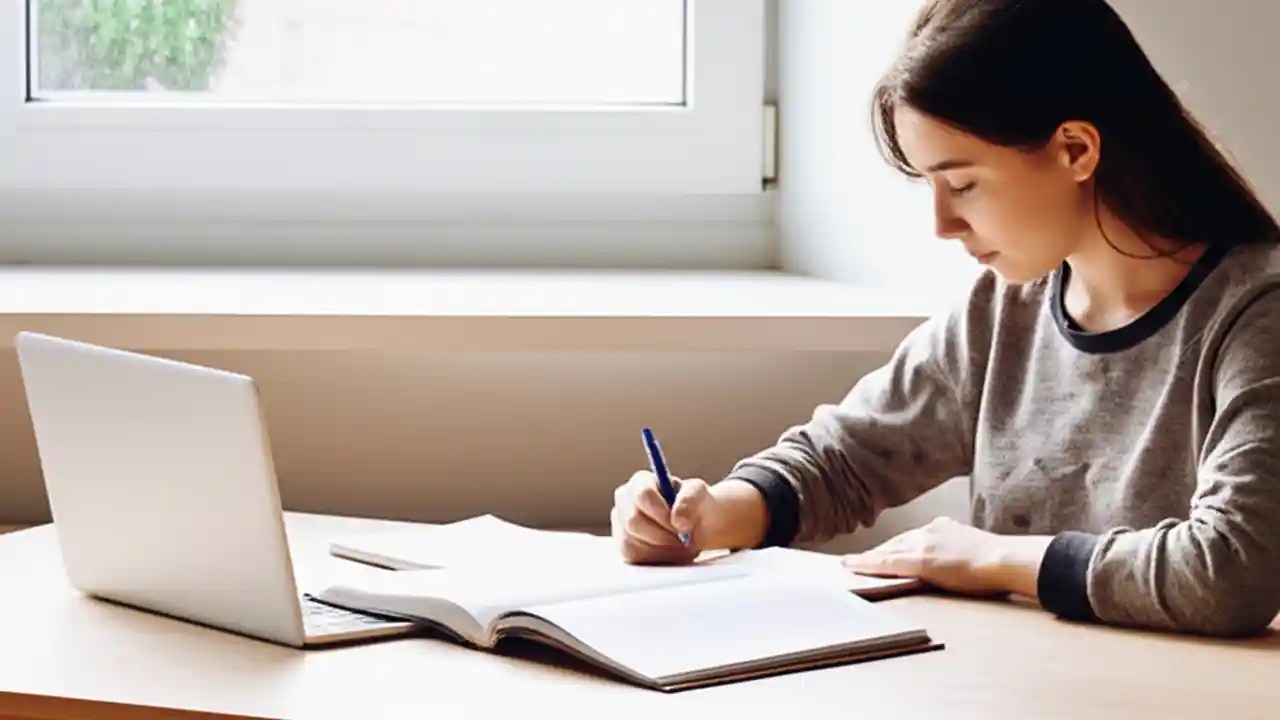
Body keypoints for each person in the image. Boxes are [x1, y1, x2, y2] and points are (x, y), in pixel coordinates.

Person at [610, 0, 1280, 638]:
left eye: (962, 184)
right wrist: (711, 515)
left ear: (1076, 150)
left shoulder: (1257, 313)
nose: (941, 223)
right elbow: (844, 460)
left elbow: (1230, 571)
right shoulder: (1002, 312)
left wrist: (991, 558)